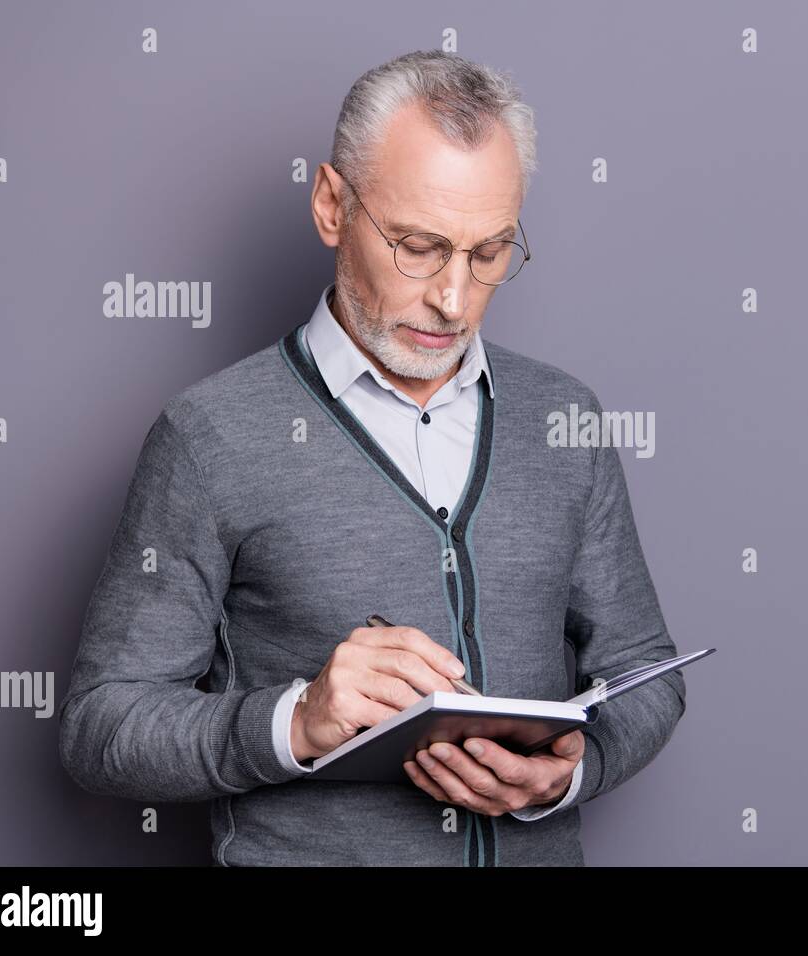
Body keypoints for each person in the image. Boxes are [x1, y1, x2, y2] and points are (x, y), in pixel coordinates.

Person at [58, 49, 686, 866]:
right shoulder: (210, 435)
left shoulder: (565, 420)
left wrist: (568, 776)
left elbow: (647, 672)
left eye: (489, 252)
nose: (453, 298)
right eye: (419, 246)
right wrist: (297, 719)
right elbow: (100, 725)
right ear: (332, 205)